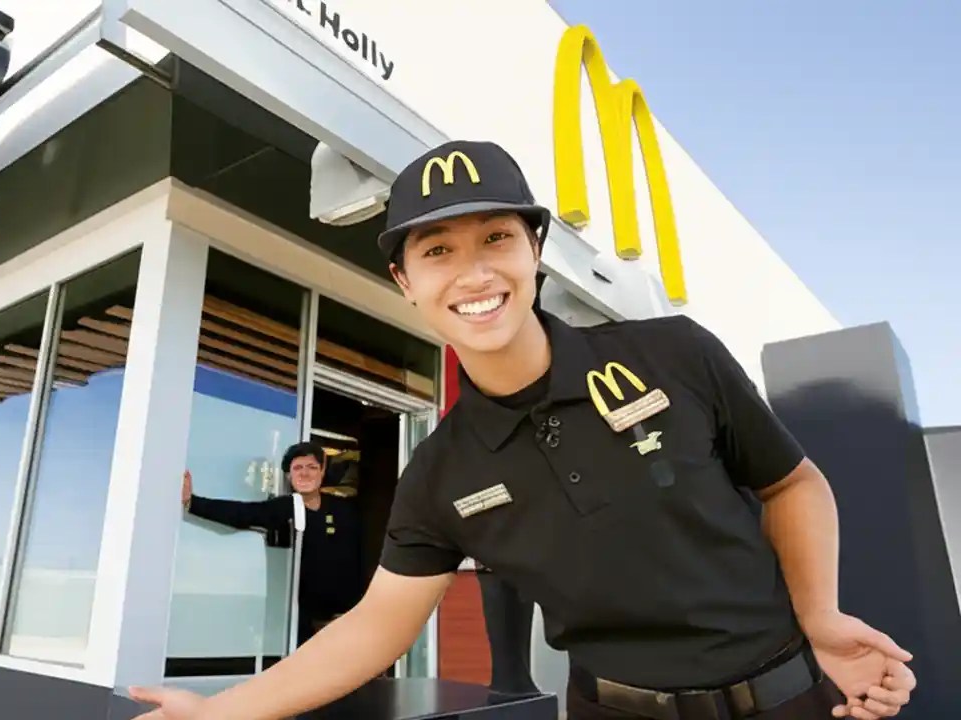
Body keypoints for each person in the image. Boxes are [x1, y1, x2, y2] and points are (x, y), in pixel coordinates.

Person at [132, 140, 917, 719]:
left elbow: (792, 483)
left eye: (496, 239)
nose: (474, 274)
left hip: (791, 701)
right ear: (405, 281)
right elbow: (375, 627)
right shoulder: (438, 473)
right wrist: (222, 711)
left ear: (535, 249)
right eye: (438, 251)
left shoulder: (675, 354)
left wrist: (822, 617)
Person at [182, 441, 365, 648]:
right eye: (297, 468)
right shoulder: (285, 508)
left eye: (312, 467)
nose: (305, 473)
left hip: (343, 619)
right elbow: (242, 513)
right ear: (289, 475)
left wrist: (356, 611)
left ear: (322, 471)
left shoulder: (344, 511)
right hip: (297, 622)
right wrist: (192, 502)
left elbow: (357, 559)